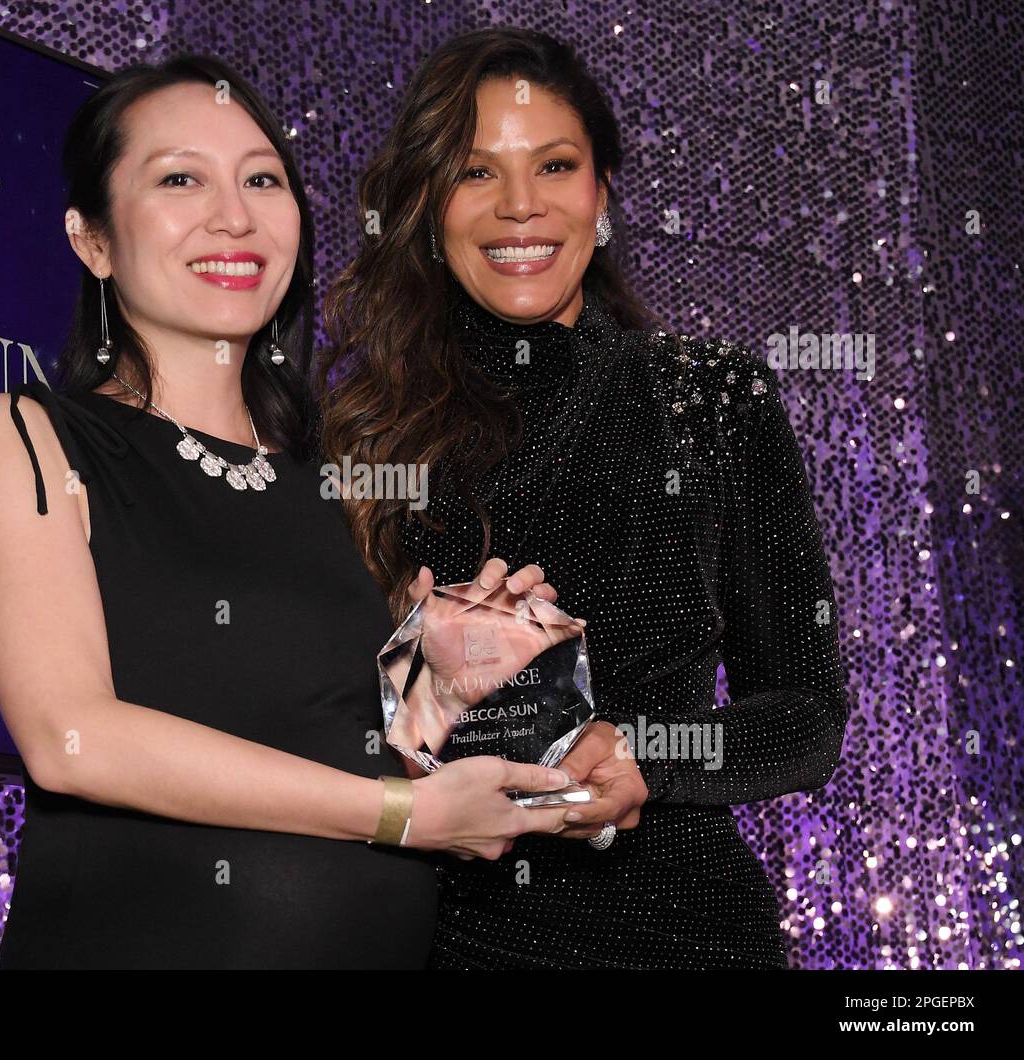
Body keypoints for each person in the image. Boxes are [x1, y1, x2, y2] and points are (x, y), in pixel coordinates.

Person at [0, 55, 579, 970]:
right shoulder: (29, 433)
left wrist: (442, 691)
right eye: (179, 179)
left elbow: (342, 745)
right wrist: (406, 817)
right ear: (92, 240)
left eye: (262, 180)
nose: (233, 216)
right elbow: (72, 742)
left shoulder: (348, 478)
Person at [317, 27, 850, 969]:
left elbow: (807, 716)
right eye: (477, 174)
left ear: (601, 195)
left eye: (555, 166)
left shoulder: (711, 399)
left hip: (680, 936)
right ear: (431, 208)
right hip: (432, 934)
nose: (522, 207)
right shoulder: (362, 433)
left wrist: (645, 751)